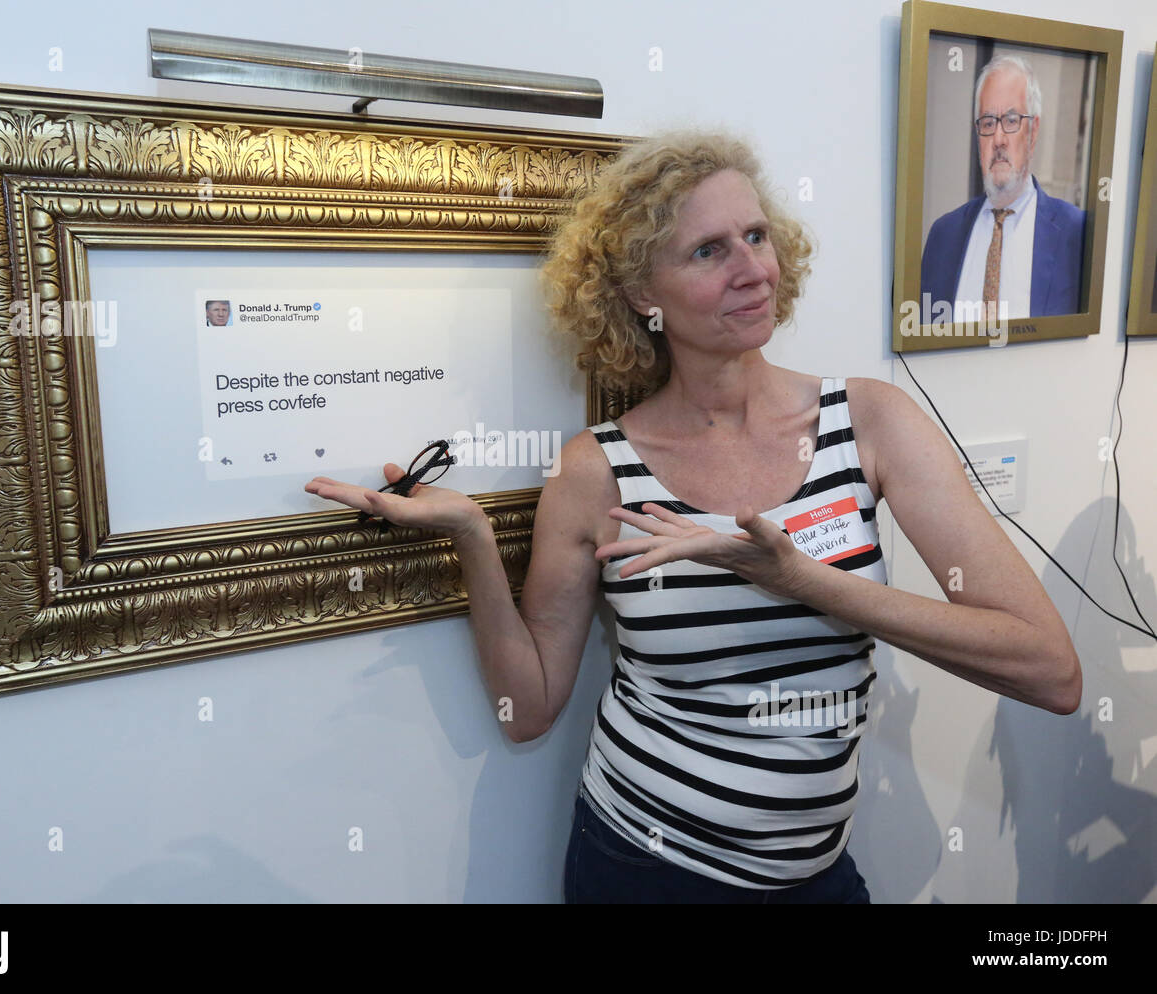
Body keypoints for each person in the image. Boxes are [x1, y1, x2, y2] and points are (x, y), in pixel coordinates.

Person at [304, 129, 1082, 904]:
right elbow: (528, 710)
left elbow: (1051, 672)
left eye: (756, 236)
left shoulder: (870, 422)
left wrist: (805, 581)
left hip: (817, 877)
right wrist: (473, 537)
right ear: (644, 295)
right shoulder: (595, 469)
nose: (753, 270)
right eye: (709, 252)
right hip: (648, 869)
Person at [920, 54, 1085, 321]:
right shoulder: (943, 236)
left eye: (1010, 121)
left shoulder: (1076, 234)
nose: (998, 139)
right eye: (987, 123)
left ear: (1033, 131)